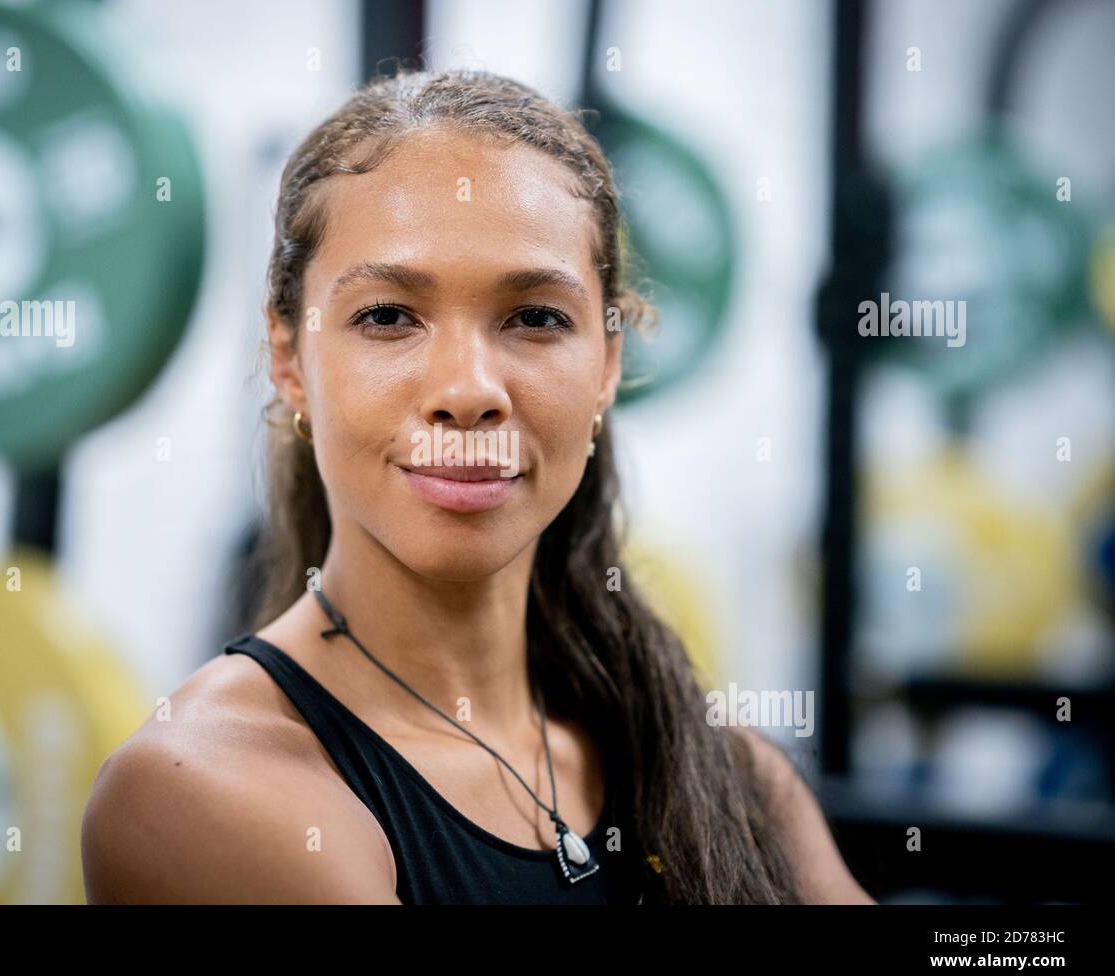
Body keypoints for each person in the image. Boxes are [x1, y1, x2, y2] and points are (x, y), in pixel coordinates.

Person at [81, 67, 875, 905]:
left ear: (607, 362)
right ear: (290, 359)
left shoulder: (724, 774)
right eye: (388, 316)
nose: (468, 390)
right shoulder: (198, 788)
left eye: (535, 317)